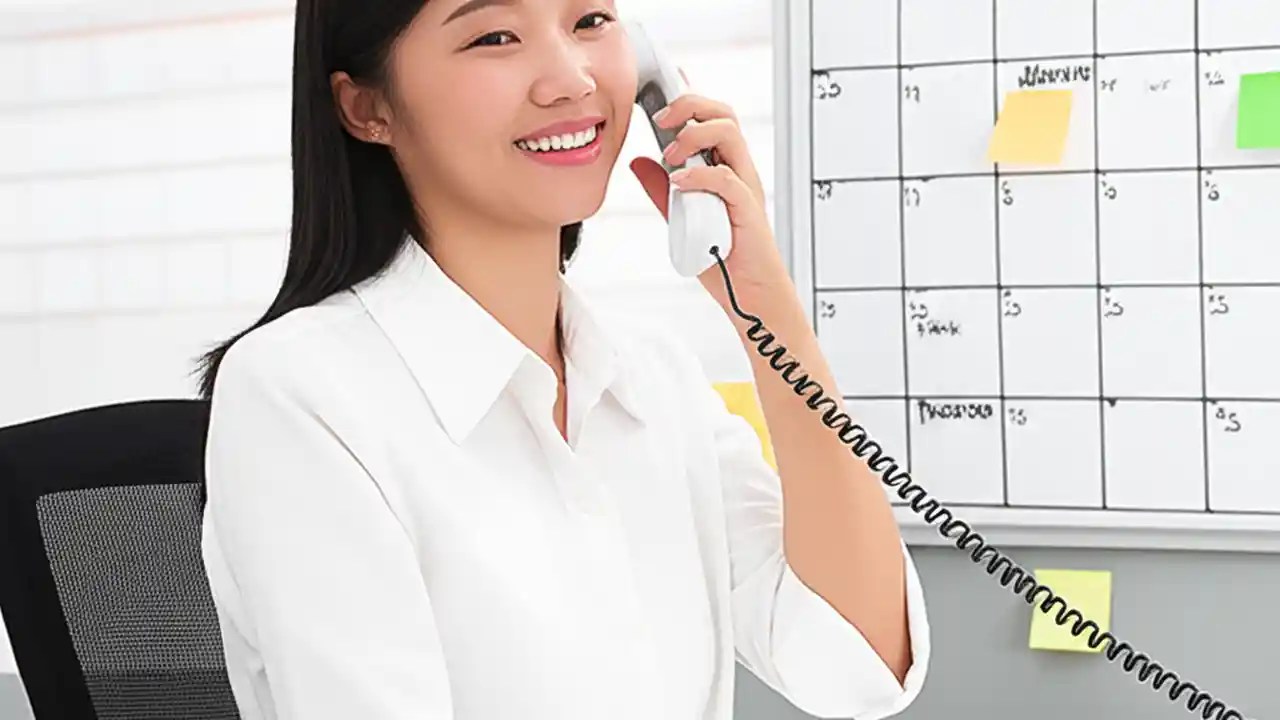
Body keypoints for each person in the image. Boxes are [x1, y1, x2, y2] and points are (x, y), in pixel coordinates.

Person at [194, 1, 931, 718]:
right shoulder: (299, 395)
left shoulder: (652, 374)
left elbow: (858, 668)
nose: (573, 79)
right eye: (495, 37)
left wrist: (765, 306)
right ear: (365, 107)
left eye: (590, 22)